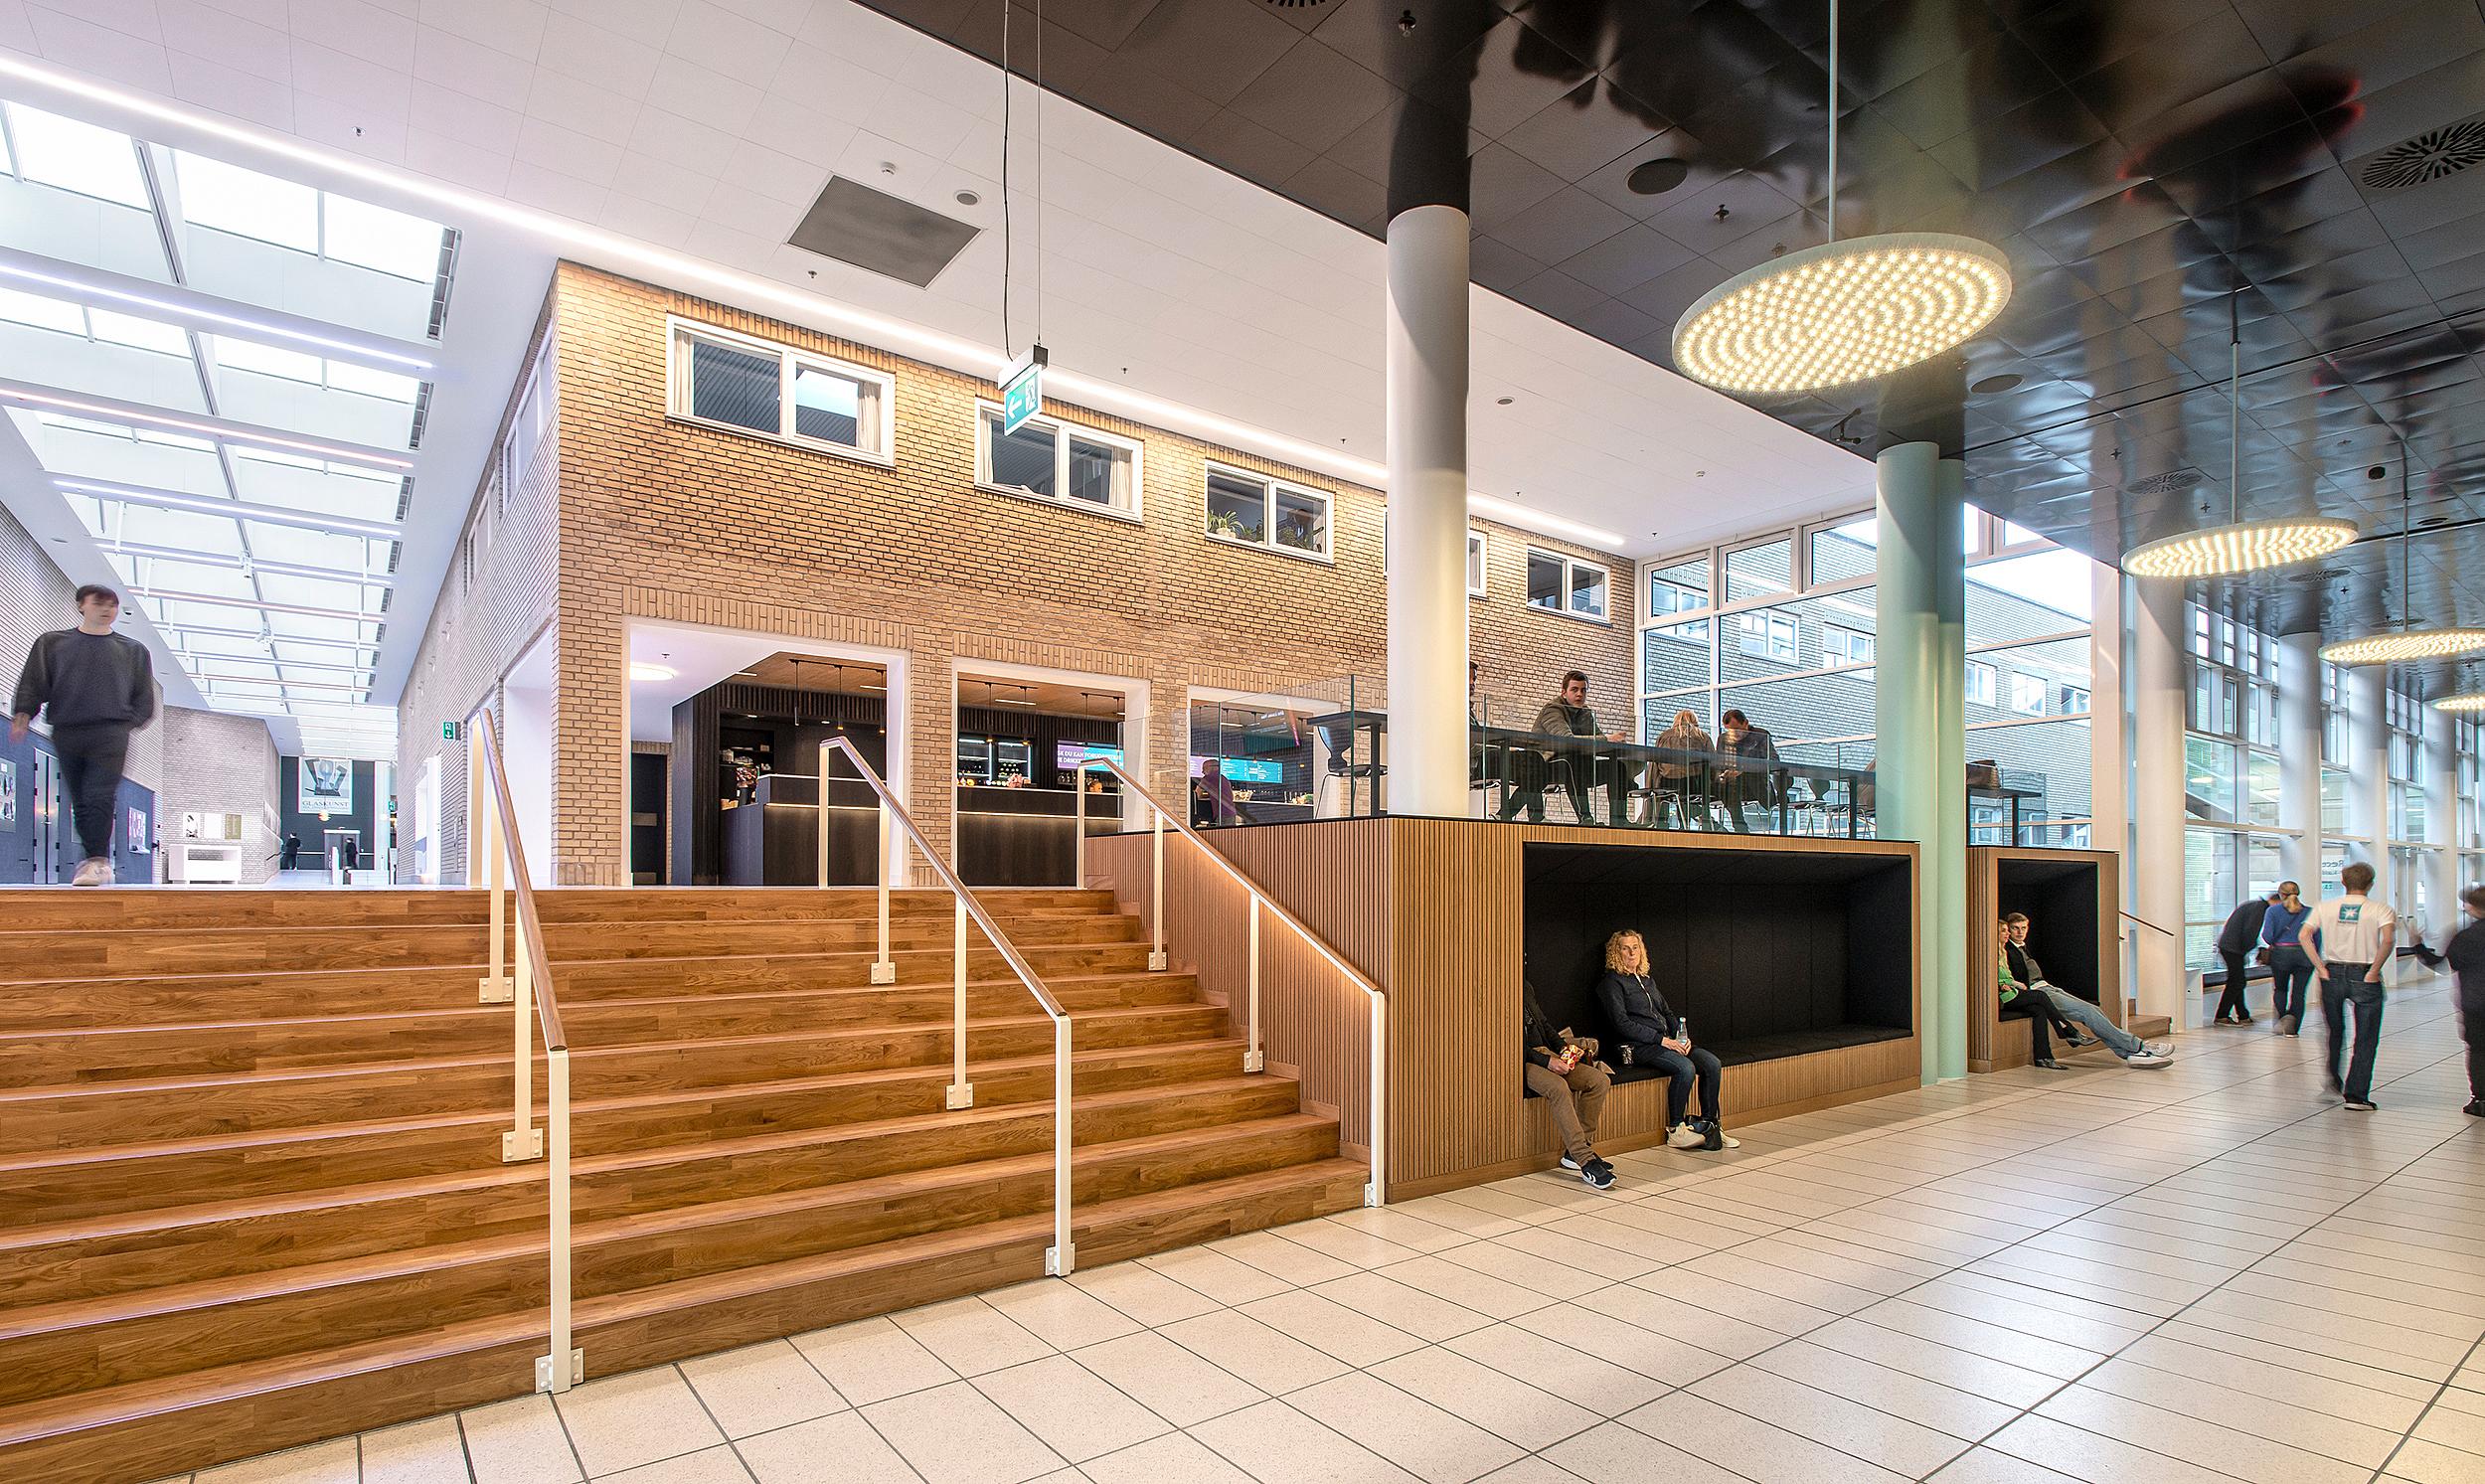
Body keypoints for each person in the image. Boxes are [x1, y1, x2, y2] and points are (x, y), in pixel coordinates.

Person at [10, 583, 156, 887]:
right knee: (80, 799)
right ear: (81, 605)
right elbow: (34, 681)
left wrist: (125, 724)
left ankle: (97, 861)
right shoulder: (53, 643)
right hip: (68, 729)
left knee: (98, 794)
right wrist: (23, 713)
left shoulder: (133, 651)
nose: (107, 610)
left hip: (111, 732)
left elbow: (144, 699)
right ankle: (94, 858)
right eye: (99, 603)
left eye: (112, 605)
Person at [1594, 929, 1738, 1151]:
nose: (1632, 952)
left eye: (1635, 947)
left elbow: (1667, 1012)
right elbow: (1622, 1024)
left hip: (1667, 1041)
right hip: (1638, 1046)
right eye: (1625, 948)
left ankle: (1710, 1127)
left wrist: (1681, 1037)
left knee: (1712, 1063)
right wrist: (1662, 1040)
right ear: (1616, 952)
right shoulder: (1611, 983)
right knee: (1685, 1068)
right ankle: (1676, 1130)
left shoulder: (1647, 980)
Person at [2003, 913, 2174, 1067]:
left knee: (2094, 1010)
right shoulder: (2006, 949)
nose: (2020, 932)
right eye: (2015, 928)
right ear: (2008, 930)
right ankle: (2139, 1046)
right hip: (2039, 993)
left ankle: (2130, 1053)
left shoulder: (2022, 947)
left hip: (2048, 987)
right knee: (2088, 1012)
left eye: (2023, 928)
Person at [2301, 862, 2399, 1111]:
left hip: (2331, 972)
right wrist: (2374, 970)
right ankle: (2356, 1095)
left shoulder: (2324, 907)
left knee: (2334, 1031)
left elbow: (2304, 935)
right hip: (2364, 973)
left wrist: (2320, 967)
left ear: (2343, 882)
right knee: (2366, 1036)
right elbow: (2388, 940)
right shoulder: (2381, 909)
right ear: (2371, 883)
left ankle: (2333, 1083)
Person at [1499, 670, 1626, 826]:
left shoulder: (1585, 712)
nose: (1579, 694)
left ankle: (1619, 820)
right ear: (1564, 692)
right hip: (1545, 765)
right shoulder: (1552, 709)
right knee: (1574, 761)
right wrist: (1608, 739)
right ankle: (1585, 818)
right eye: (1574, 689)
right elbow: (1567, 741)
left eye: (1583, 690)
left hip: (1578, 764)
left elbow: (1599, 740)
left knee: (1618, 767)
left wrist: (1611, 742)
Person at [1523, 979, 1615, 1188]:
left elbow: (1544, 1025)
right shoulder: (1497, 990)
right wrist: (1547, 1062)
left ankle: (1577, 1151)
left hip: (1545, 1052)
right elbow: (1508, 1042)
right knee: (1558, 1087)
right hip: (1521, 1061)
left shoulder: (1525, 986)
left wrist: (1563, 1048)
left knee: (1599, 1080)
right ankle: (1585, 1158)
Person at [2408, 884, 2485, 1118]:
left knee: (2478, 1050)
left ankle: (2481, 1100)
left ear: (2472, 907)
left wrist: (2417, 944)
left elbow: (2440, 963)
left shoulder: (2465, 936)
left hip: (2476, 1002)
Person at [1999, 945, 2080, 1070]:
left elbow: (2006, 977)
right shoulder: (1993, 954)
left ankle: (2043, 1058)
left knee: (2039, 1010)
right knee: (2040, 996)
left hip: (2011, 992)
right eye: (2003, 934)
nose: (2007, 936)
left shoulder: (2003, 953)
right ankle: (2068, 1030)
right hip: (2003, 997)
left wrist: (2012, 983)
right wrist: (2009, 984)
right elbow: (1993, 978)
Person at [2214, 890, 2279, 1024]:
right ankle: (2222, 1015)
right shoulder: (2260, 909)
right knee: (2237, 982)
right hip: (2233, 948)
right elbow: (2250, 932)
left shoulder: (2254, 905)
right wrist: (2253, 950)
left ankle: (2242, 1015)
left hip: (2230, 947)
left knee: (2237, 981)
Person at [2260, 880, 2314, 1035]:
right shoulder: (2310, 912)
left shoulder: (2273, 911)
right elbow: (2317, 938)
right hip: (2305, 955)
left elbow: (2267, 936)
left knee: (2280, 989)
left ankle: (2280, 1022)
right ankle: (2293, 1029)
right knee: (2299, 993)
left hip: (2281, 954)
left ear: (2280, 894)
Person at [1715, 710, 1779, 833]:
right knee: (1725, 784)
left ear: (1745, 723)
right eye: (1729, 730)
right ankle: (1739, 828)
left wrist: (1743, 770)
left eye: (1736, 729)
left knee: (1732, 784)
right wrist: (1724, 773)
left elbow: (1773, 761)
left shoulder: (1760, 735)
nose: (1734, 734)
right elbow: (1718, 763)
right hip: (1731, 786)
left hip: (1755, 784)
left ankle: (1740, 828)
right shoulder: (1723, 738)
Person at [1650, 709, 1711, 830]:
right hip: (1694, 783)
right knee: (1686, 791)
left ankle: (1661, 825)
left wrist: (1652, 784)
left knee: (1670, 793)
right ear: (1695, 721)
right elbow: (1712, 761)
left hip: (1667, 782)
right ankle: (1689, 824)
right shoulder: (1702, 736)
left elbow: (1655, 763)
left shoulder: (1664, 736)